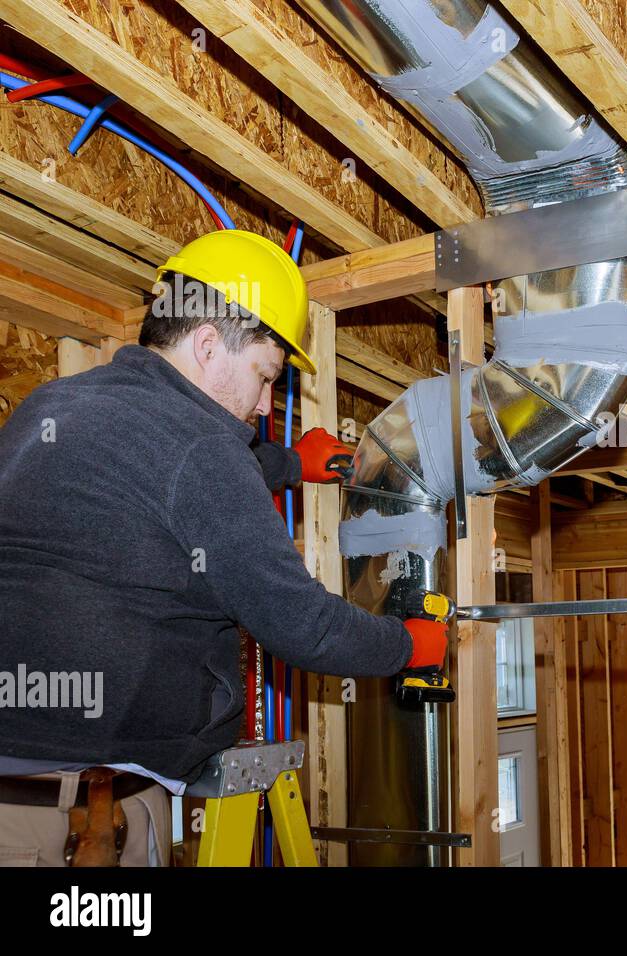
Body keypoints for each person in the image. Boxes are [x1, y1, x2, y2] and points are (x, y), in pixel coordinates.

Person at [0, 230, 446, 866]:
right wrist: (408, 645)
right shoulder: (203, 448)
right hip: (87, 812)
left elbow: (162, 477)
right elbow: (304, 625)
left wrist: (290, 464)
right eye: (265, 377)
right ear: (207, 344)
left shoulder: (51, 404)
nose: (265, 404)